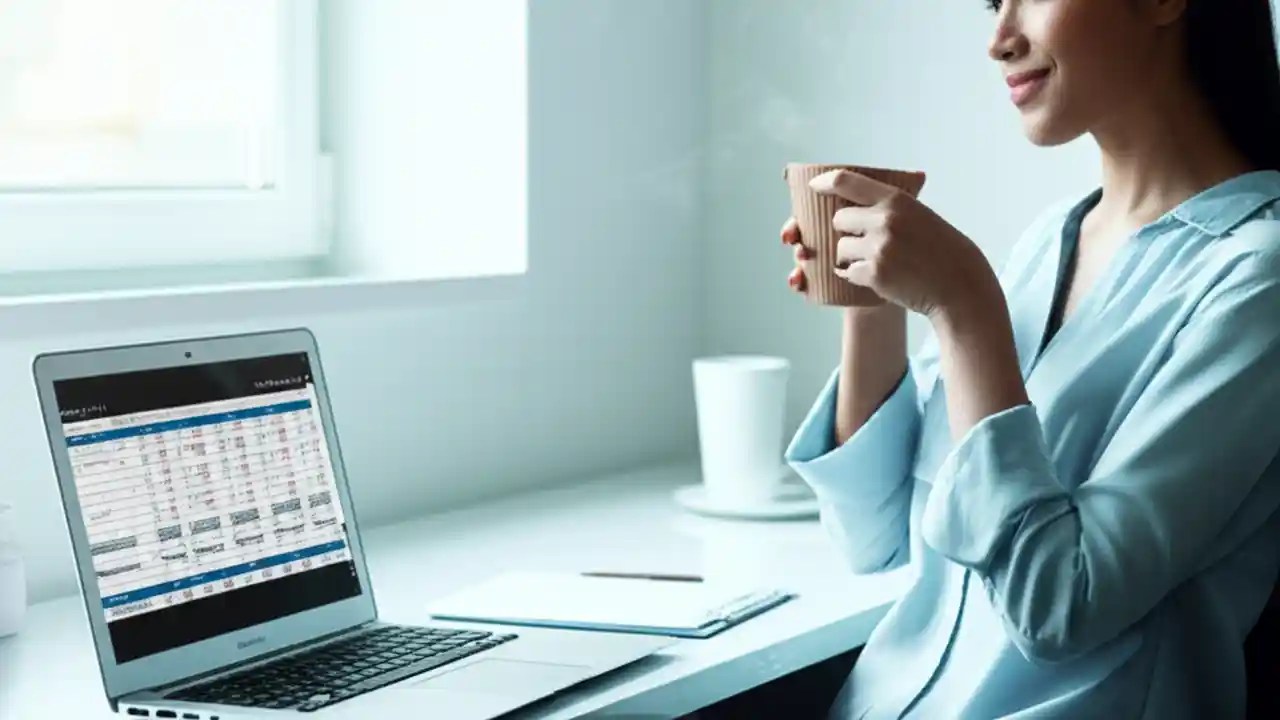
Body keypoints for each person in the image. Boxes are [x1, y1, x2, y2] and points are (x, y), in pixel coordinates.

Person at [698, 0, 1280, 718]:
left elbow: (1061, 605)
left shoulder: (1258, 276)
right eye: (992, 3)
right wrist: (872, 306)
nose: (999, 40)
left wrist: (961, 306)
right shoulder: (1049, 240)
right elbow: (872, 535)